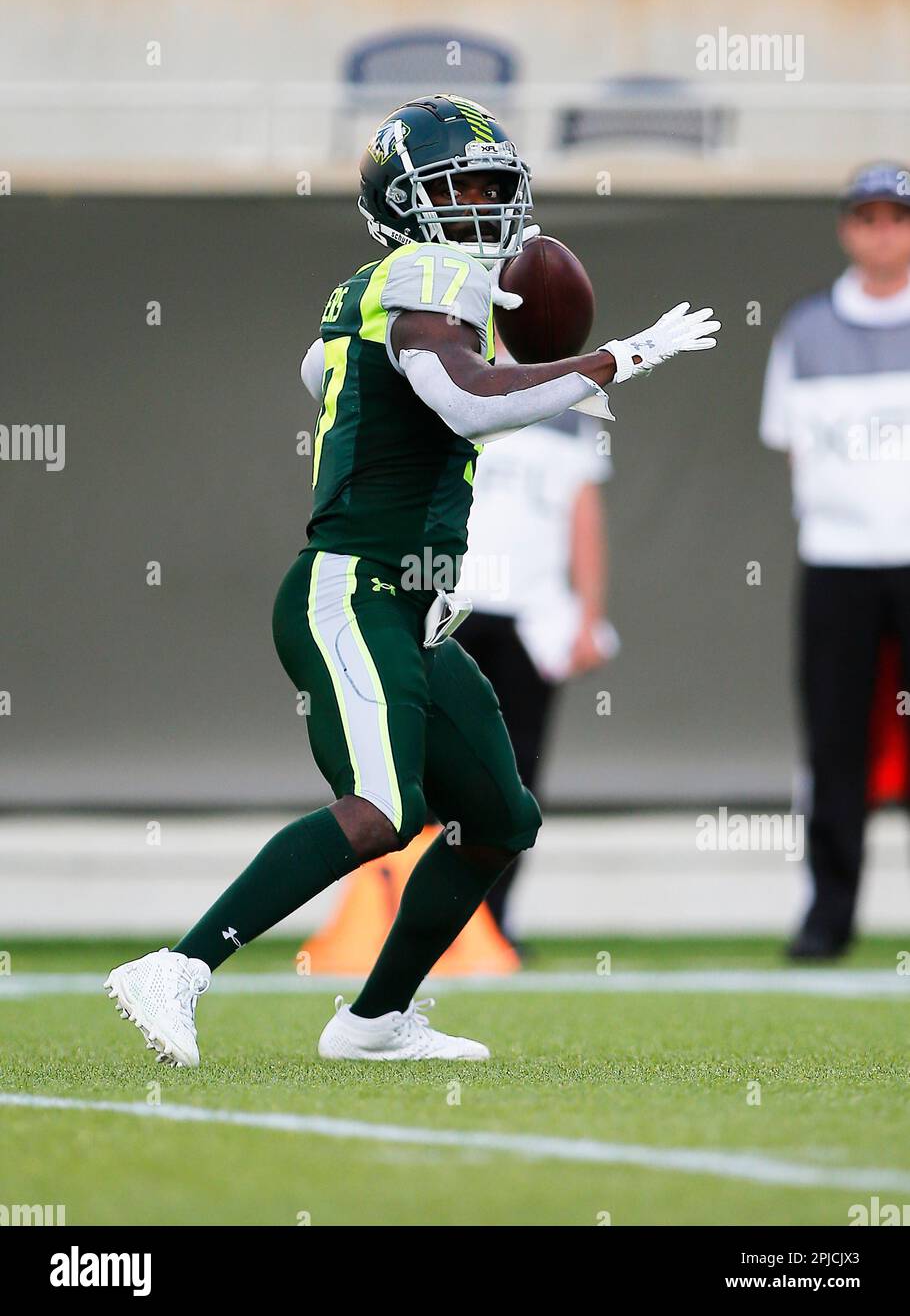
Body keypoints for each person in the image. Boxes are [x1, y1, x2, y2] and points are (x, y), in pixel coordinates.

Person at [105, 92, 719, 1063]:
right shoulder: (426, 269)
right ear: (403, 201)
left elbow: (325, 367)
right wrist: (615, 359)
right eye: (456, 186)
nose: (479, 205)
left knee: (496, 818)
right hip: (350, 591)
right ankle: (175, 966)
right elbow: (464, 403)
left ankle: (374, 1017)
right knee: (383, 809)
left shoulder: (391, 284)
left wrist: (463, 372)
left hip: (409, 607)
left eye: (491, 185)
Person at [760, 161, 910, 959]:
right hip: (838, 565)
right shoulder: (805, 330)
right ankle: (829, 916)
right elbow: (791, 447)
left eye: (898, 217)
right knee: (834, 743)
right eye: (868, 217)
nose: (882, 232)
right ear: (847, 228)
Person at [457, 391, 615, 942]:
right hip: (446, 607)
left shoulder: (572, 400)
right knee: (431, 768)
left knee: (515, 776)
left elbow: (583, 510)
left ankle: (493, 924)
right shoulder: (440, 377)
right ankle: (417, 920)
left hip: (532, 618)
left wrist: (589, 615)